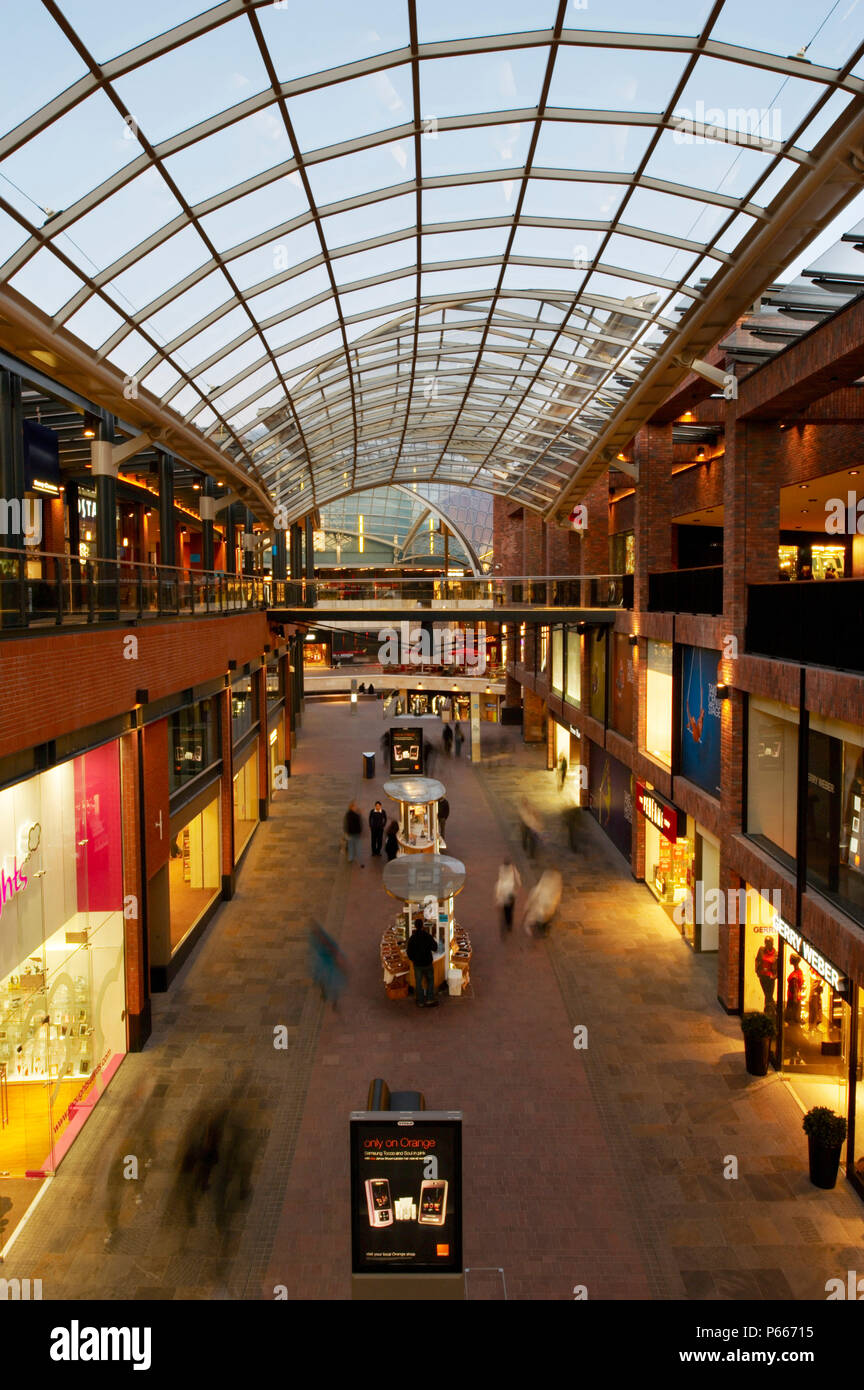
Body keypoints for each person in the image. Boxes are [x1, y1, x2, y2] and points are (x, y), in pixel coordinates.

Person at [406, 914, 438, 1007]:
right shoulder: (427, 936)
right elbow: (435, 947)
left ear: (415, 926)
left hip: (417, 964)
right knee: (430, 980)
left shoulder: (412, 938)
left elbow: (409, 952)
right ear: (423, 925)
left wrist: (413, 959)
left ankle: (420, 1001)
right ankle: (429, 999)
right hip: (427, 962)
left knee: (418, 983)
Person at [522, 869, 563, 938]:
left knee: (542, 920)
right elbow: (557, 894)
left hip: (544, 910)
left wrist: (526, 909)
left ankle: (542, 928)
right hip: (548, 910)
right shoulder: (556, 881)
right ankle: (543, 929)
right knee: (545, 920)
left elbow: (532, 897)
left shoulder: (540, 887)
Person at [495, 857, 521, 936]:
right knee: (510, 910)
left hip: (503, 893)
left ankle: (506, 922)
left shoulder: (501, 869)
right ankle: (509, 924)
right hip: (510, 893)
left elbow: (500, 881)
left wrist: (497, 896)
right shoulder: (513, 869)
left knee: (505, 909)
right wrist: (517, 890)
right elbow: (518, 881)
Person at [754, 936, 778, 1010]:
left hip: (770, 978)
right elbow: (757, 960)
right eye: (766, 942)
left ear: (772, 943)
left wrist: (775, 976)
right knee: (767, 994)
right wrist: (757, 971)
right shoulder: (761, 950)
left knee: (768, 995)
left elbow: (777, 967)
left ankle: (769, 1009)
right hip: (763, 976)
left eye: (769, 942)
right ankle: (773, 1008)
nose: (767, 944)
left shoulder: (775, 954)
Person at [344, 801, 363, 866]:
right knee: (353, 845)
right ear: (351, 807)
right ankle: (352, 857)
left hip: (353, 833)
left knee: (352, 845)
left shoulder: (351, 814)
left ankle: (352, 857)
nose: (355, 808)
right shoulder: (351, 815)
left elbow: (359, 824)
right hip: (352, 833)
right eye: (354, 807)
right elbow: (347, 824)